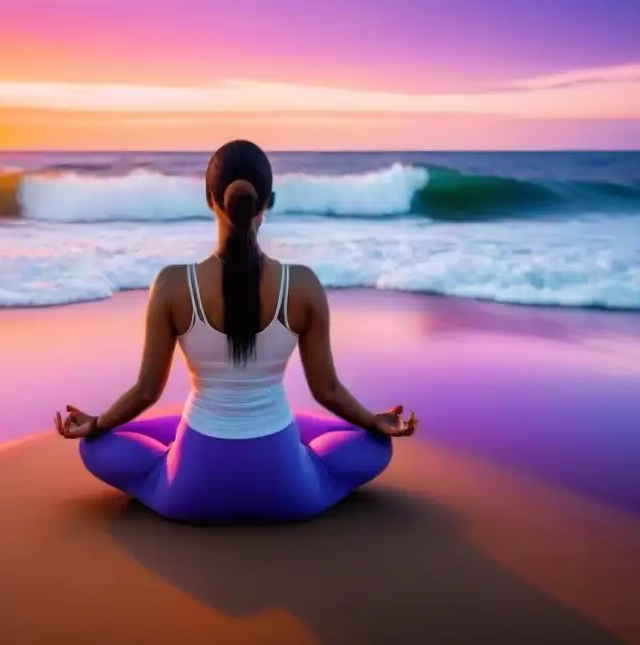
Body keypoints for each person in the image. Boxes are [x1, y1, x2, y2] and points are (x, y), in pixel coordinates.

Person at [54, 140, 417, 523]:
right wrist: (373, 421)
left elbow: (146, 392)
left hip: (190, 493)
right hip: (286, 491)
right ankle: (304, 453)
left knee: (96, 446)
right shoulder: (303, 285)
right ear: (268, 202)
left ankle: (169, 455)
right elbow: (326, 390)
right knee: (376, 446)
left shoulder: (173, 285)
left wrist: (97, 423)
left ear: (210, 198)